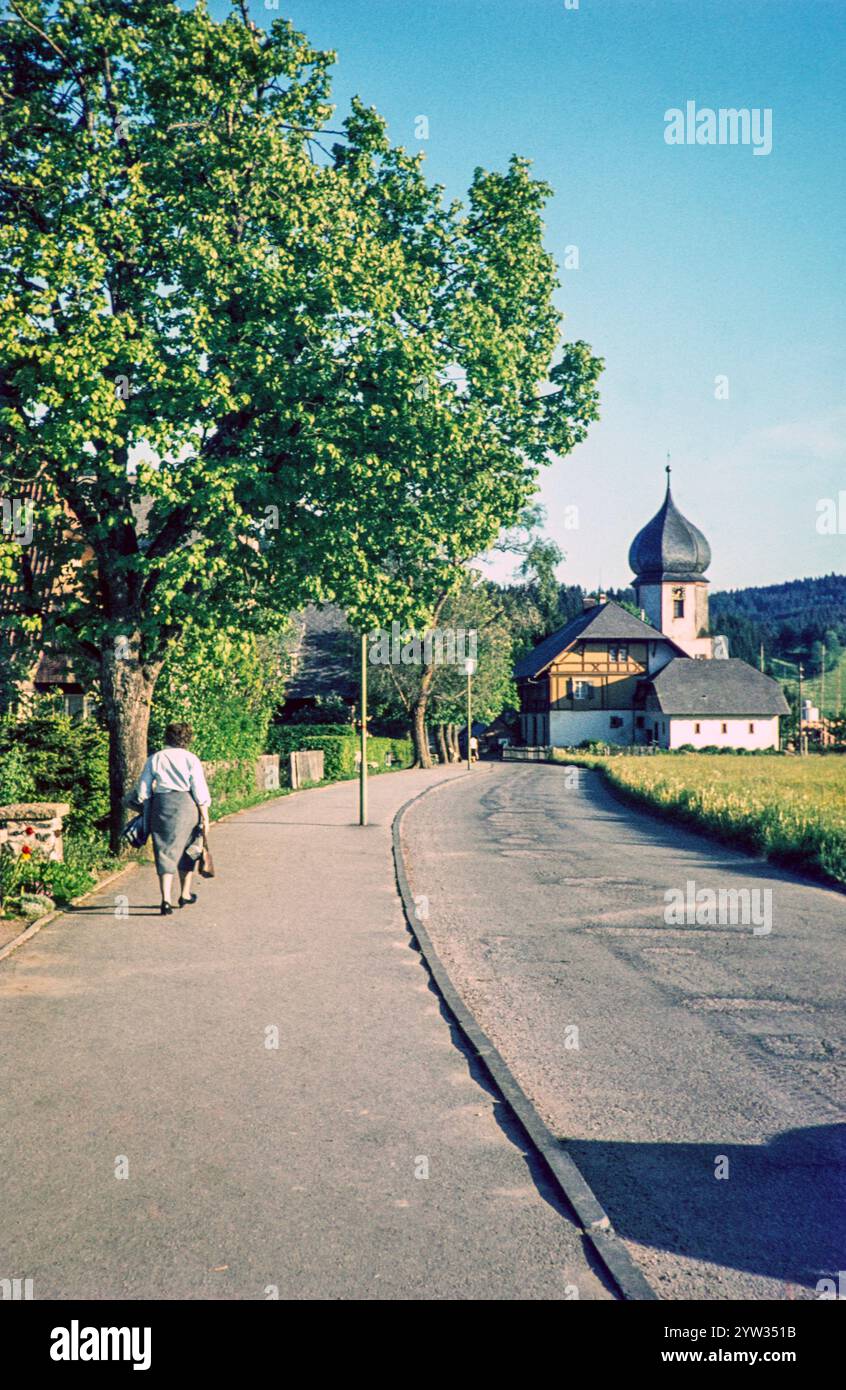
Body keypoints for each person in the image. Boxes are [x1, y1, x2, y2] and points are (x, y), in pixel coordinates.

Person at [132, 723, 211, 916]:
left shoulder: (156, 758)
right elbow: (198, 788)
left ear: (166, 738)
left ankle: (165, 900)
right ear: (187, 739)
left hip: (162, 805)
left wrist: (146, 805)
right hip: (187, 805)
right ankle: (184, 894)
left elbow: (143, 790)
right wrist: (205, 816)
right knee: (190, 848)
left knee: (164, 850)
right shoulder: (191, 759)